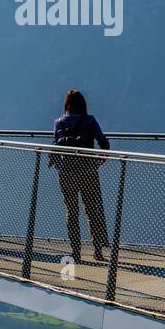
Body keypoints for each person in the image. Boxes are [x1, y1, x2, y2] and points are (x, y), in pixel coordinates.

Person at [51, 89, 110, 263]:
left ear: (67, 105)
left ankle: (75, 251)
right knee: (92, 210)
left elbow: (58, 144)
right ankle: (97, 250)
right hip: (88, 171)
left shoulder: (59, 122)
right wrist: (102, 158)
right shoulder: (90, 121)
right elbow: (103, 142)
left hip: (66, 172)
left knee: (71, 212)